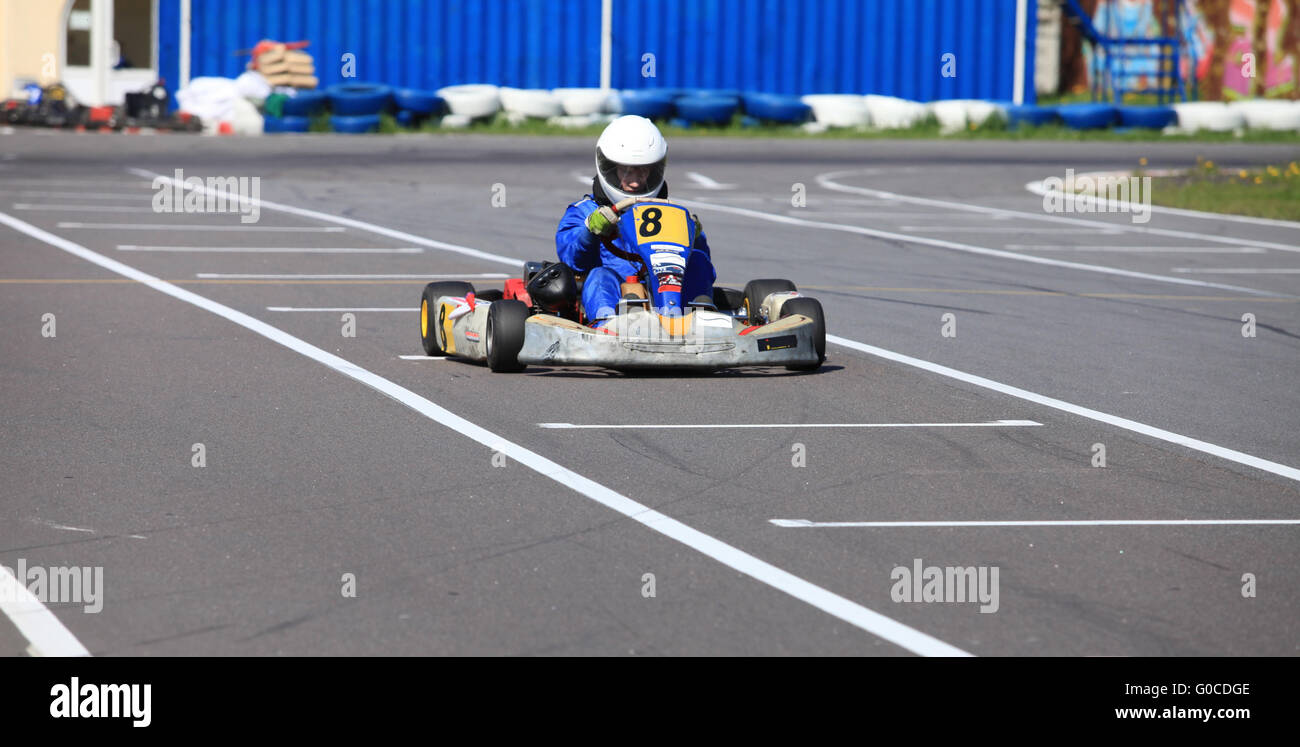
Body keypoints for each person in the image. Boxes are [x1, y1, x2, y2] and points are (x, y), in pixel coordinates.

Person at [555, 115, 714, 325]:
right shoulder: (585, 212)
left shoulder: (672, 214)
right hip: (615, 294)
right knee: (600, 275)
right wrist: (590, 231)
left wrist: (694, 236)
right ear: (609, 168)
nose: (635, 182)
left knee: (698, 260)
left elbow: (704, 262)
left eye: (643, 172)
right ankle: (607, 325)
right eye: (626, 171)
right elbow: (572, 260)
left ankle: (702, 320)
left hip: (665, 288)